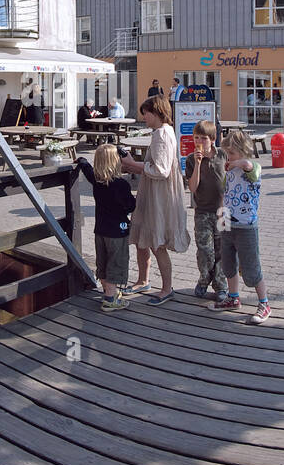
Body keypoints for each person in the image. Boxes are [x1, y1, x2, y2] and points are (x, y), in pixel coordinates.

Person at [127, 94, 188, 300]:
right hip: (156, 192)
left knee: (155, 241)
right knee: (144, 237)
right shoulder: (167, 131)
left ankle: (166, 288)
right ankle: (143, 280)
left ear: (156, 113)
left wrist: (130, 164)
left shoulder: (160, 134)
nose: (144, 117)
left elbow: (160, 170)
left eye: (146, 114)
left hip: (158, 195)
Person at [215, 128, 270, 323]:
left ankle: (264, 302)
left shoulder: (252, 167)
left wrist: (236, 162)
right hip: (229, 222)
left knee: (251, 267)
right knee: (228, 263)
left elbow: (248, 165)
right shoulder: (230, 172)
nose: (228, 158)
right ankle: (233, 297)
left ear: (242, 150)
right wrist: (221, 220)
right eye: (227, 153)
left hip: (247, 226)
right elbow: (225, 194)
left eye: (231, 153)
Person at [82, 143, 137, 310]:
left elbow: (88, 171)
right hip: (117, 231)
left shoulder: (97, 181)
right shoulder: (121, 184)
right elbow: (130, 206)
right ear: (115, 162)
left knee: (103, 262)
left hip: (100, 230)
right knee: (116, 263)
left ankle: (107, 290)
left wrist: (83, 162)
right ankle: (110, 298)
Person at [189, 118, 227, 304]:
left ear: (212, 139)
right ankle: (204, 279)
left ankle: (221, 285)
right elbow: (192, 187)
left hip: (223, 212)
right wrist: (197, 164)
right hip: (202, 211)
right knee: (205, 250)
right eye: (196, 138)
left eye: (203, 138)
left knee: (222, 250)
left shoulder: (222, 156)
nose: (199, 142)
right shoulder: (191, 159)